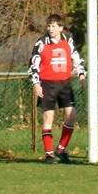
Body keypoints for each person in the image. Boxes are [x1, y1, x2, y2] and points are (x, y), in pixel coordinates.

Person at [28, 13, 87, 164]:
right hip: (47, 84)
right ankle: (49, 155)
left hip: (65, 84)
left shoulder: (67, 40)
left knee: (72, 115)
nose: (51, 29)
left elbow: (75, 57)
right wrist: (36, 83)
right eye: (49, 26)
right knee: (49, 118)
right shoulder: (41, 43)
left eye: (54, 26)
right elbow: (33, 64)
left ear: (61, 27)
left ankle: (61, 149)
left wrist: (81, 73)